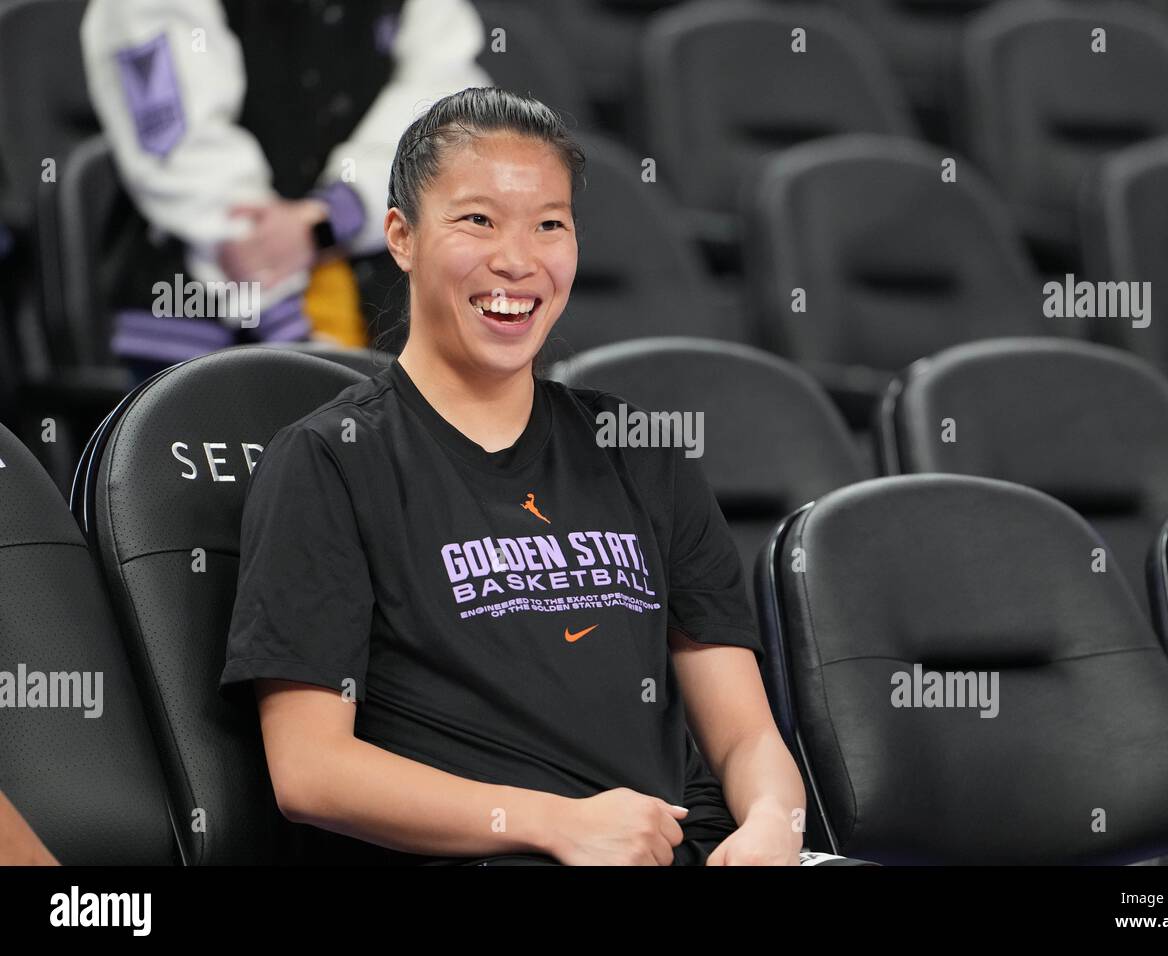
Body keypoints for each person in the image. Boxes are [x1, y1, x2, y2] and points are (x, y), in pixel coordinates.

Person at [219, 87, 873, 866]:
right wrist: (551, 824)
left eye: (549, 225)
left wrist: (772, 824)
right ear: (401, 236)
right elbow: (310, 773)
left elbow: (745, 737)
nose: (518, 261)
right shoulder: (328, 461)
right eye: (477, 220)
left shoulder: (638, 450)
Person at [80, 0, 492, 384]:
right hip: (203, 305)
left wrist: (342, 211)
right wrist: (289, 322)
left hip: (378, 288)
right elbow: (179, 147)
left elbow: (446, 91)